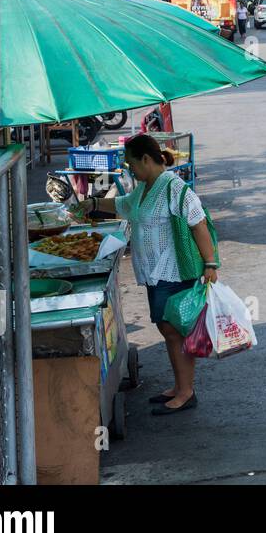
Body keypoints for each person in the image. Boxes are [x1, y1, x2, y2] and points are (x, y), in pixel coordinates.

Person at [80, 134, 218, 414]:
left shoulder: (174, 188)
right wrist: (92, 206)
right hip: (156, 272)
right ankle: (180, 386)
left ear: (145, 159)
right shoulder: (145, 189)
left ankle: (186, 392)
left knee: (174, 331)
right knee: (168, 330)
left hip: (175, 271)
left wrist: (210, 264)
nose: (130, 169)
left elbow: (199, 223)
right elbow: (123, 206)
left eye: (131, 163)